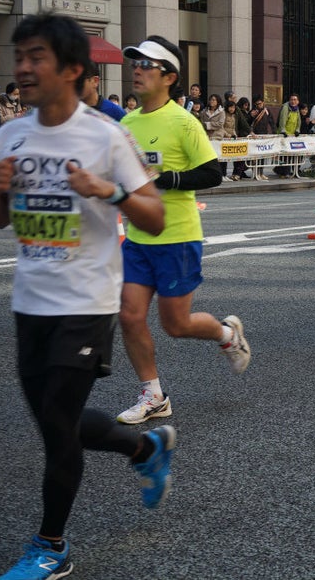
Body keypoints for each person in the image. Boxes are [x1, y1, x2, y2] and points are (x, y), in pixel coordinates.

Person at [0, 12, 173, 580]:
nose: (22, 68)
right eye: (19, 56)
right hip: (31, 301)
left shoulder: (104, 134)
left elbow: (156, 215)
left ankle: (52, 546)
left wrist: (108, 189)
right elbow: (0, 221)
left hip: (87, 301)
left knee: (57, 422)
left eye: (36, 56)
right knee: (54, 422)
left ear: (72, 69)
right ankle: (145, 449)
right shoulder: (8, 134)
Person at [115, 35, 251, 425]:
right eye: (135, 64)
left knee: (175, 324)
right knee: (129, 315)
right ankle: (153, 396)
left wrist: (167, 179)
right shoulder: (126, 123)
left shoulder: (182, 121)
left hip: (177, 237)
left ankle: (227, 334)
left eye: (147, 66)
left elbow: (212, 172)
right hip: (139, 237)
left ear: (169, 77)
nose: (137, 71)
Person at [249, 95, 276, 180]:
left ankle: (261, 173)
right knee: (255, 156)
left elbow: (271, 122)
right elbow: (248, 122)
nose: (258, 105)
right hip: (255, 136)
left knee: (263, 155)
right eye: (257, 104)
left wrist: (274, 132)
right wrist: (251, 116)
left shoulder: (267, 111)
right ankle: (256, 173)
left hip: (264, 135)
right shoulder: (253, 111)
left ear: (263, 102)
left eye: (260, 103)